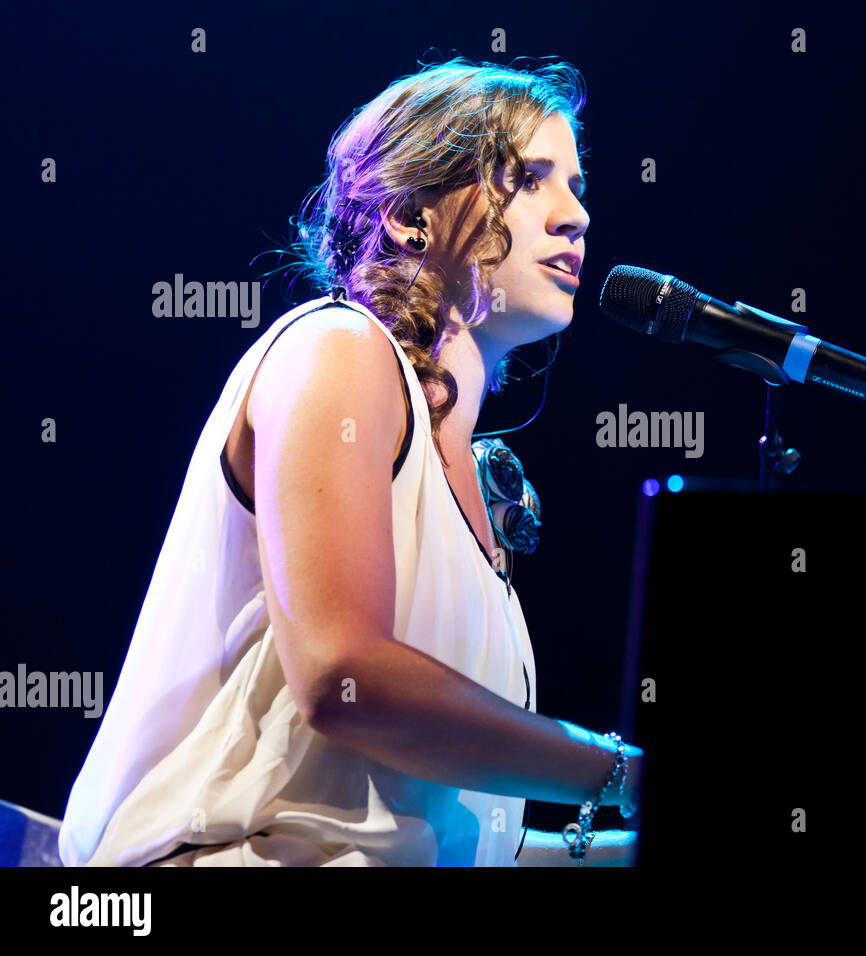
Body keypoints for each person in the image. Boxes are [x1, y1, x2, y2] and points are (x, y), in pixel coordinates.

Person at [56, 56, 643, 867]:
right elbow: (343, 677)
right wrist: (621, 772)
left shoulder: (464, 473)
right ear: (412, 218)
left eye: (577, 184)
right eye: (529, 178)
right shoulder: (338, 349)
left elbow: (433, 836)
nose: (575, 215)